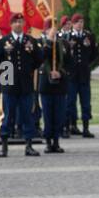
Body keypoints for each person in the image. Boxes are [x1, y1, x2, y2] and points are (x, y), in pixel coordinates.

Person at [0, 13, 40, 158]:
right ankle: (4, 145)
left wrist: (29, 69)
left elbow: (39, 58)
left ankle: (28, 145)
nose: (18, 24)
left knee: (27, 114)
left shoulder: (30, 41)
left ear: (23, 23)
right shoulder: (4, 41)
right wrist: (5, 70)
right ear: (11, 25)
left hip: (25, 83)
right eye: (15, 22)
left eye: (20, 21)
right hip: (8, 81)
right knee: (7, 114)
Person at [37, 19, 69, 154]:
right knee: (48, 114)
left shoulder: (64, 43)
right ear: (45, 30)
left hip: (60, 84)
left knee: (59, 114)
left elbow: (70, 63)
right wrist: (49, 42)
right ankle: (48, 141)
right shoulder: (39, 43)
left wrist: (60, 73)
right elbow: (40, 58)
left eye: (54, 28)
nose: (53, 31)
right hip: (46, 84)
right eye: (50, 28)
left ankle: (56, 140)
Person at [65, 13, 98, 138]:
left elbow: (94, 53)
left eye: (82, 22)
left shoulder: (88, 36)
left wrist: (86, 64)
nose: (80, 24)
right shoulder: (68, 36)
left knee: (85, 102)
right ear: (73, 24)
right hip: (71, 75)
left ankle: (86, 128)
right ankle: (70, 126)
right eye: (77, 22)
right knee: (70, 102)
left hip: (84, 75)